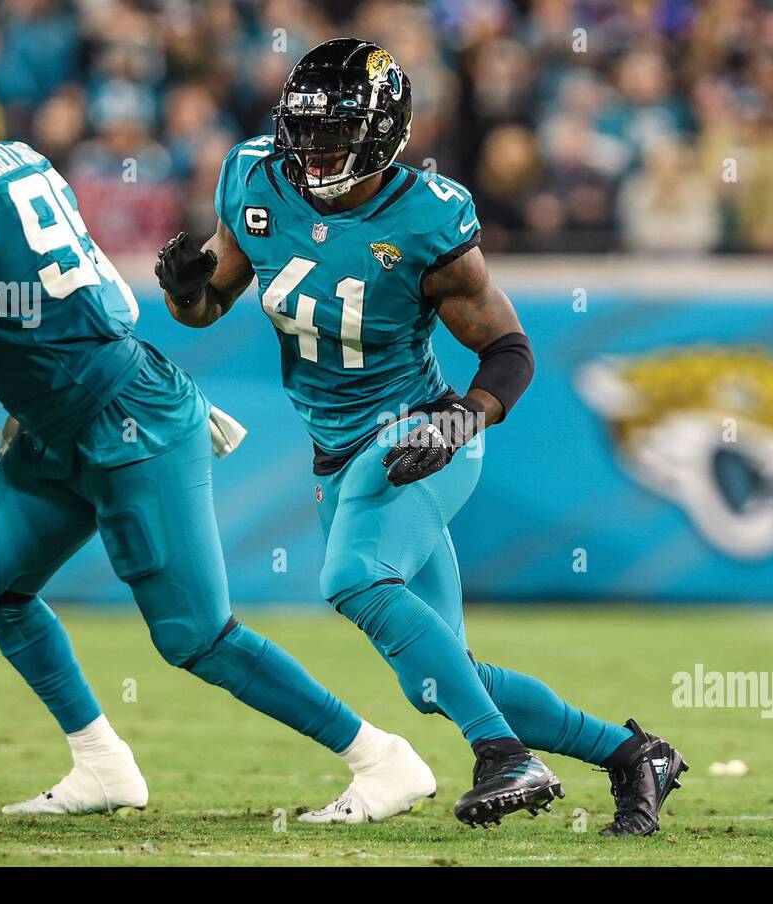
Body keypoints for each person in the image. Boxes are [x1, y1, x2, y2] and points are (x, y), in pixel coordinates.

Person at [0, 44, 434, 820]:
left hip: (123, 420)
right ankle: (103, 766)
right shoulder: (10, 163)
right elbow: (59, 302)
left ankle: (380, 757)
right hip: (67, 420)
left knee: (194, 635)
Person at [157, 39, 688, 834]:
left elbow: (509, 351)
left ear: (380, 134)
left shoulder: (425, 216)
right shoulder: (255, 178)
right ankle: (631, 754)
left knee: (354, 580)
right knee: (441, 678)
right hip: (337, 450)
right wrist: (185, 291)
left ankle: (504, 756)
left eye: (333, 134)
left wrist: (458, 420)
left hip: (419, 432)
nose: (311, 151)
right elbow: (209, 304)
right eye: (302, 131)